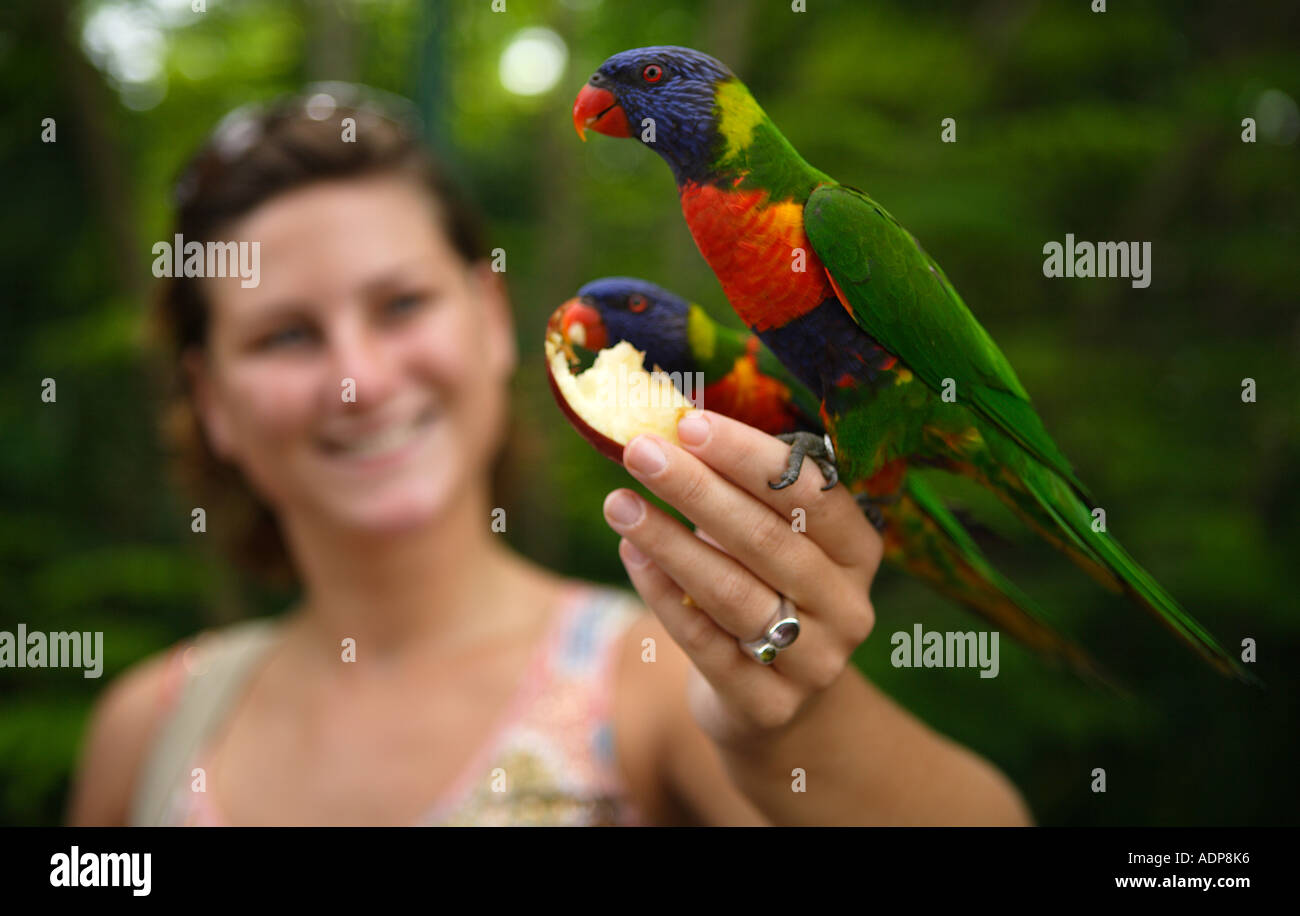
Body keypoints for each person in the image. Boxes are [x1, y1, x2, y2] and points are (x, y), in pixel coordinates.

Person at [66, 84, 1032, 826]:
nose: (356, 377)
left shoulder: (660, 673)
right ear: (210, 400)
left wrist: (790, 720)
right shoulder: (146, 729)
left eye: (402, 305)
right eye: (285, 336)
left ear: (491, 321)